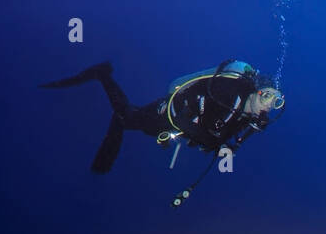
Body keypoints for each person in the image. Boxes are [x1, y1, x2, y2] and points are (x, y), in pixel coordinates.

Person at [41, 60, 284, 174]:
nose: (269, 107)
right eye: (268, 98)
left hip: (177, 128)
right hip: (169, 113)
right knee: (126, 117)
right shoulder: (228, 91)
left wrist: (216, 144)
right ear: (257, 91)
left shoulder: (247, 117)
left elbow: (217, 136)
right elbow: (186, 99)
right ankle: (102, 74)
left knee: (135, 120)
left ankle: (104, 76)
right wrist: (202, 135)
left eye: (276, 103)